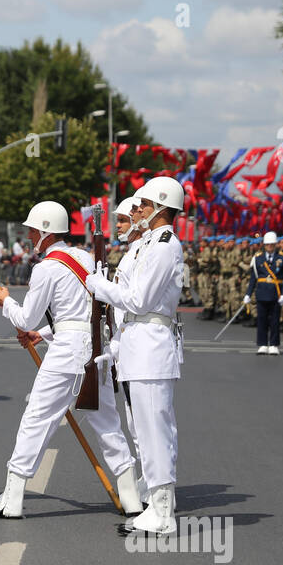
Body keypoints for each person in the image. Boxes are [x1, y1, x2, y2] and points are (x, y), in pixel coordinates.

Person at [0, 201, 99, 519]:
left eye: (33, 230)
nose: (30, 235)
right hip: (93, 348)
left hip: (65, 353)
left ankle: (13, 499)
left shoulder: (46, 267)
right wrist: (43, 334)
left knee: (36, 421)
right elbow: (79, 311)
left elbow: (26, 318)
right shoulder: (86, 257)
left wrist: (6, 301)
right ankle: (130, 498)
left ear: (45, 232)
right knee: (109, 426)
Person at [84, 176, 185, 536]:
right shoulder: (148, 245)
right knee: (145, 428)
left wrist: (101, 287)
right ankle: (157, 503)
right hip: (137, 345)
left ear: (160, 207)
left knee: (155, 432)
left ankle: (162, 513)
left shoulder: (164, 246)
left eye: (143, 205)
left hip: (151, 346)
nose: (137, 209)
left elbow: (140, 300)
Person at [244, 230, 283, 355]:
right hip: (262, 292)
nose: (270, 246)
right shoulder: (258, 258)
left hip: (276, 293)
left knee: (275, 320)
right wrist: (248, 294)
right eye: (267, 244)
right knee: (262, 320)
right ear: (264, 245)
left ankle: (274, 344)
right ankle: (262, 344)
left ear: (275, 244)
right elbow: (254, 278)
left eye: (272, 244)